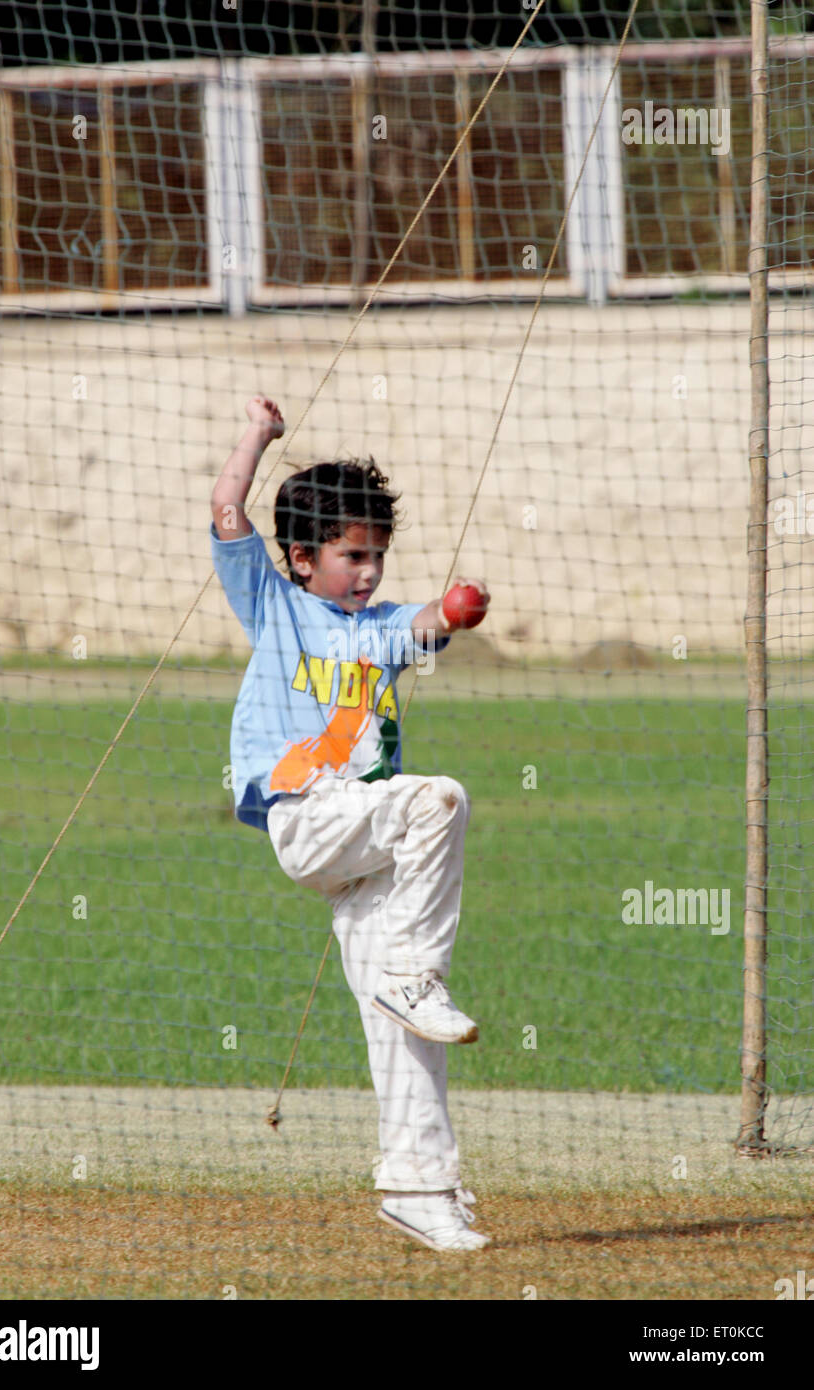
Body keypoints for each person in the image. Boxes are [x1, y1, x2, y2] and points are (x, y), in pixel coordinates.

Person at [210, 395, 492, 1252]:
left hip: (365, 844)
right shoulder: (275, 606)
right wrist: (258, 434)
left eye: (378, 555)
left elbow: (420, 624)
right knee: (437, 797)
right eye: (352, 556)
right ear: (301, 558)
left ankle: (421, 1188)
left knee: (404, 1030)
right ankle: (418, 974)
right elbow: (226, 511)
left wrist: (452, 611)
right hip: (307, 817)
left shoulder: (378, 627)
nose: (367, 572)